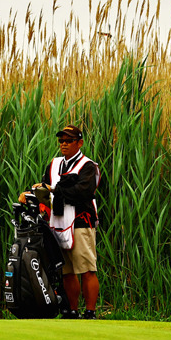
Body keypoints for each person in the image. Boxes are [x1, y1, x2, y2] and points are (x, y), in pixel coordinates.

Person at [21, 124, 102, 319]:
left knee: (87, 269)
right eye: (61, 141)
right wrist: (30, 193)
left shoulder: (88, 166)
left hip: (81, 221)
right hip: (57, 221)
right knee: (67, 270)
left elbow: (83, 192)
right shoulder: (55, 163)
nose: (64, 144)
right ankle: (72, 311)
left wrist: (54, 190)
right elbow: (45, 187)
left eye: (69, 141)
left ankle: (90, 312)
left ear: (79, 143)